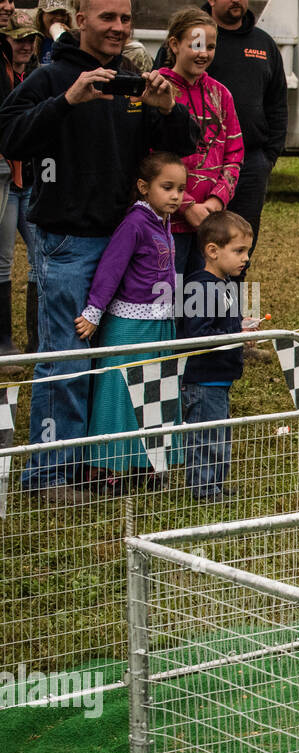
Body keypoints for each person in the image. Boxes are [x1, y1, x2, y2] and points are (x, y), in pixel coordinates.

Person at [0, 0, 198, 503]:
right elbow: (10, 137)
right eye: (107, 17)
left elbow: (181, 146)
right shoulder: (50, 76)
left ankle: (104, 461)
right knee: (66, 359)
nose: (118, 27)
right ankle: (49, 474)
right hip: (68, 239)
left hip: (127, 239)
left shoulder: (133, 80)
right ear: (80, 19)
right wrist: (68, 100)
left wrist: (167, 108)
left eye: (125, 18)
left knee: (116, 359)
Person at [76, 154, 187, 488]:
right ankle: (104, 468)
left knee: (154, 389)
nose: (176, 196)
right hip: (129, 328)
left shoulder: (163, 222)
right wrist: (93, 312)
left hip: (160, 324)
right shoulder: (135, 224)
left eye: (181, 189)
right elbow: (111, 268)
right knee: (121, 391)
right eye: (167, 187)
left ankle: (145, 462)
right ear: (143, 187)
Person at [182, 0, 286, 274]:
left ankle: (230, 301)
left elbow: (277, 104)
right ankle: (193, 301)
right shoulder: (192, 37)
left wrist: (267, 158)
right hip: (196, 166)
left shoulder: (264, 44)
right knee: (192, 253)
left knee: (237, 249)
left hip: (248, 164)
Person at [158, 7, 243, 279]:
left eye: (211, 46)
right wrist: (186, 205)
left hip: (210, 226)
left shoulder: (222, 94)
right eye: (196, 45)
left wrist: (217, 201)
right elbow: (150, 157)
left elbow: (234, 153)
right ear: (174, 44)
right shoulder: (158, 91)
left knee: (204, 296)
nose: (203, 53)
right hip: (166, 226)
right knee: (167, 295)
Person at [178, 210, 254, 501]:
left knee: (219, 435)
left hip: (220, 377)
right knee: (205, 436)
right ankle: (203, 488)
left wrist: (242, 325)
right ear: (212, 251)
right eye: (239, 251)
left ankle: (216, 484)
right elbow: (198, 335)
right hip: (203, 378)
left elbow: (222, 323)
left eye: (246, 251)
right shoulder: (200, 287)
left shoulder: (224, 284)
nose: (246, 258)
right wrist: (235, 335)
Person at [0, 8, 38, 355]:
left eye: (30, 40)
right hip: (4, 176)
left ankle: (37, 342)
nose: (25, 46)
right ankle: (4, 342)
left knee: (40, 258)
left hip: (29, 178)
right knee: (4, 261)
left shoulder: (37, 74)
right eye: (18, 40)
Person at [34, 0, 72, 67]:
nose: (59, 17)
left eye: (63, 14)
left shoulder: (74, 40)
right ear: (41, 15)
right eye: (53, 13)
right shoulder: (32, 41)